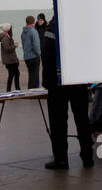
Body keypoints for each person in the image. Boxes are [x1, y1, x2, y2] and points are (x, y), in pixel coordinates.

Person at [40, 15, 93, 170]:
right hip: (78, 79)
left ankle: (61, 159)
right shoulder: (79, 22)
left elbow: (48, 53)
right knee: (82, 119)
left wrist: (47, 82)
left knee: (58, 122)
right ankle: (87, 156)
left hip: (58, 82)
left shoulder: (54, 25)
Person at [0, 23, 21, 91]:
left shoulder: (7, 37)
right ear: (8, 29)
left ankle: (14, 89)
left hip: (10, 60)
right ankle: (12, 90)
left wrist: (13, 45)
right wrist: (15, 46)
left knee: (15, 74)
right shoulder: (5, 38)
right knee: (13, 74)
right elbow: (7, 49)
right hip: (10, 60)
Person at [21, 15, 42, 88]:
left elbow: (24, 45)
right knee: (35, 75)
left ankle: (30, 90)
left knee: (31, 75)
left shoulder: (23, 32)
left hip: (27, 57)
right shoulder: (33, 31)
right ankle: (35, 92)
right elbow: (36, 45)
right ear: (33, 22)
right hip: (34, 57)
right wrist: (39, 54)